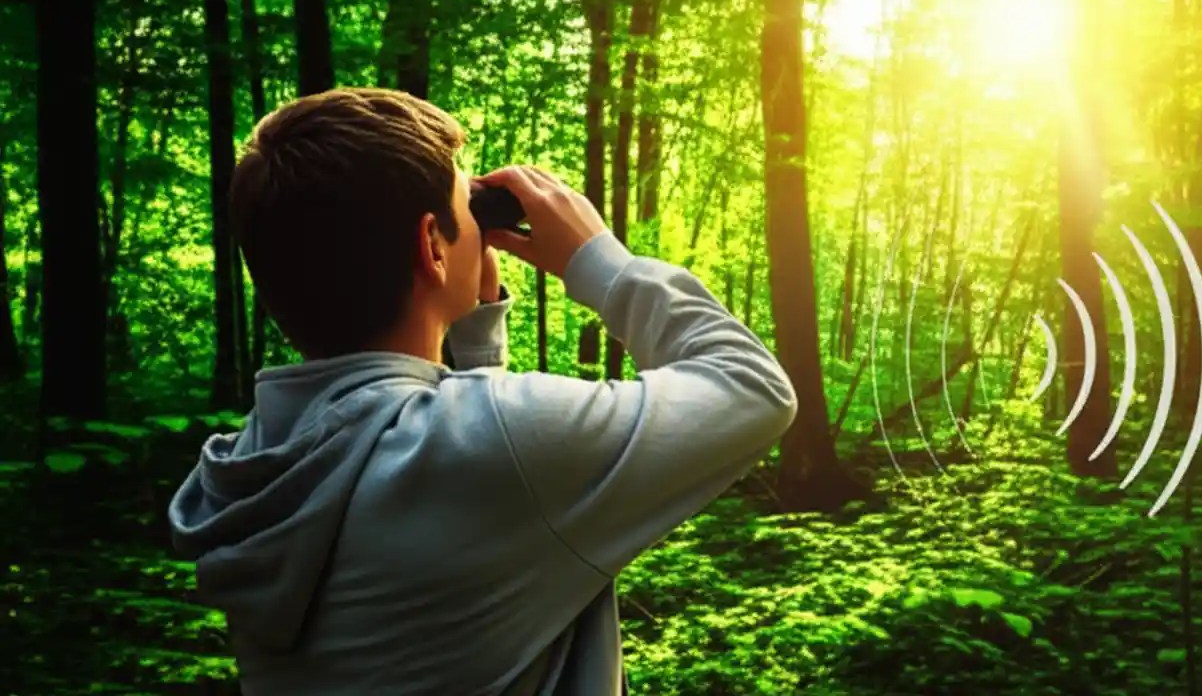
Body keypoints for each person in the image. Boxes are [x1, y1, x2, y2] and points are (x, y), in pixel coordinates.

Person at [168, 87, 797, 695]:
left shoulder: (251, 465)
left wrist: (475, 345)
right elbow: (752, 387)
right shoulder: (488, 443)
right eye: (467, 209)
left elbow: (469, 512)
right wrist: (600, 260)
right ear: (431, 246)